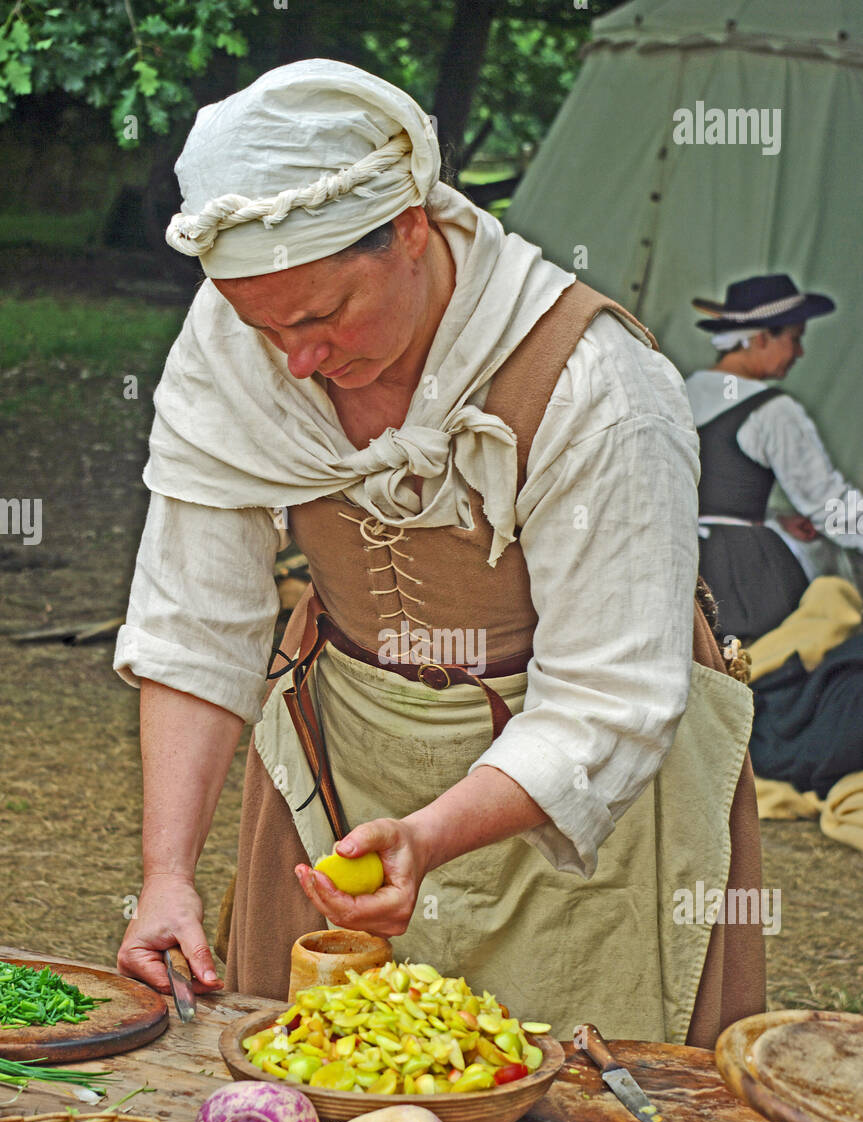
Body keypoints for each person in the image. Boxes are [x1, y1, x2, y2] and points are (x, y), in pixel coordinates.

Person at [113, 60, 763, 1045]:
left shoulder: (597, 384)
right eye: (263, 325)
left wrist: (428, 836)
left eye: (323, 316)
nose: (294, 358)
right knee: (331, 1106)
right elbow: (194, 620)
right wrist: (164, 876)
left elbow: (608, 695)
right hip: (350, 761)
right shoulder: (244, 332)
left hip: (588, 792)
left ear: (411, 228)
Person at [685, 274, 863, 645]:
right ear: (762, 337)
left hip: (677, 566)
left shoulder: (677, 391)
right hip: (740, 581)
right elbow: (828, 504)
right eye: (795, 339)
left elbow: (707, 494)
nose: (800, 353)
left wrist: (769, 518)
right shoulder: (774, 410)